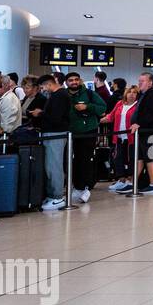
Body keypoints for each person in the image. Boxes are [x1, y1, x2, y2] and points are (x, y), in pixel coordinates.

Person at [64, 72, 105, 204]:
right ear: (67, 82)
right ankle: (75, 185)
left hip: (87, 131)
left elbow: (102, 107)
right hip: (69, 132)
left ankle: (84, 187)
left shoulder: (89, 94)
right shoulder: (63, 94)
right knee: (70, 160)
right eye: (71, 80)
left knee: (84, 159)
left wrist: (87, 106)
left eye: (76, 79)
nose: (74, 82)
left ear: (80, 80)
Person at [38, 74, 72, 211]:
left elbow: (55, 117)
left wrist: (40, 113)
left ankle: (57, 197)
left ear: (49, 84)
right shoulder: (59, 95)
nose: (43, 90)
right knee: (51, 164)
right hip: (54, 133)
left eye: (43, 87)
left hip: (55, 133)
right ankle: (53, 195)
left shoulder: (59, 96)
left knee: (54, 165)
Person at [104, 85, 140, 193]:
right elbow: (110, 116)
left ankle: (130, 181)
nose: (132, 95)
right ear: (125, 93)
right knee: (117, 158)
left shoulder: (138, 105)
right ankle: (121, 179)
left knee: (131, 159)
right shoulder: (120, 104)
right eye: (130, 92)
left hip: (131, 138)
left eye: (134, 92)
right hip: (118, 137)